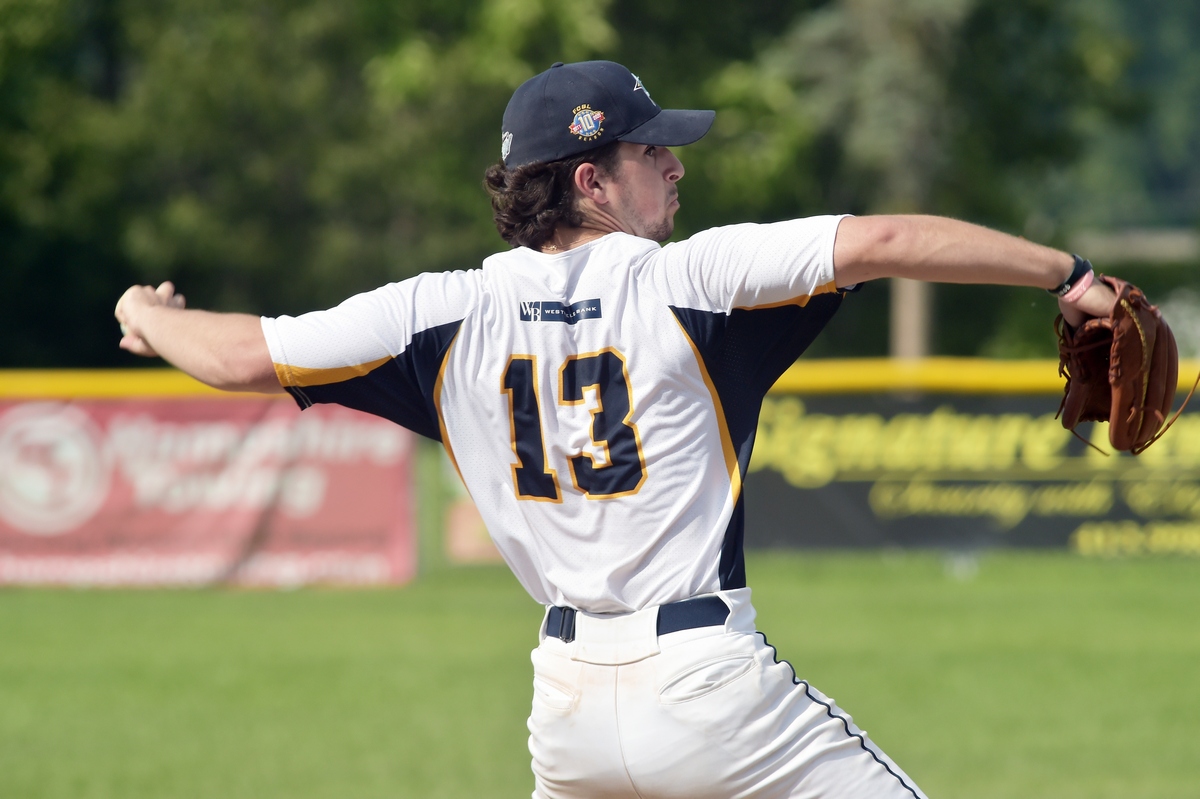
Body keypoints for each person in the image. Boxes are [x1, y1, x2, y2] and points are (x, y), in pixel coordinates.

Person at [115, 60, 1116, 799]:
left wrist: (147, 315)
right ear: (591, 182)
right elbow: (887, 240)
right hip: (714, 689)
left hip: (570, 713)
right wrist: (1065, 274)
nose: (675, 167)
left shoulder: (435, 313)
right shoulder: (691, 279)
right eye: (651, 151)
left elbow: (242, 355)